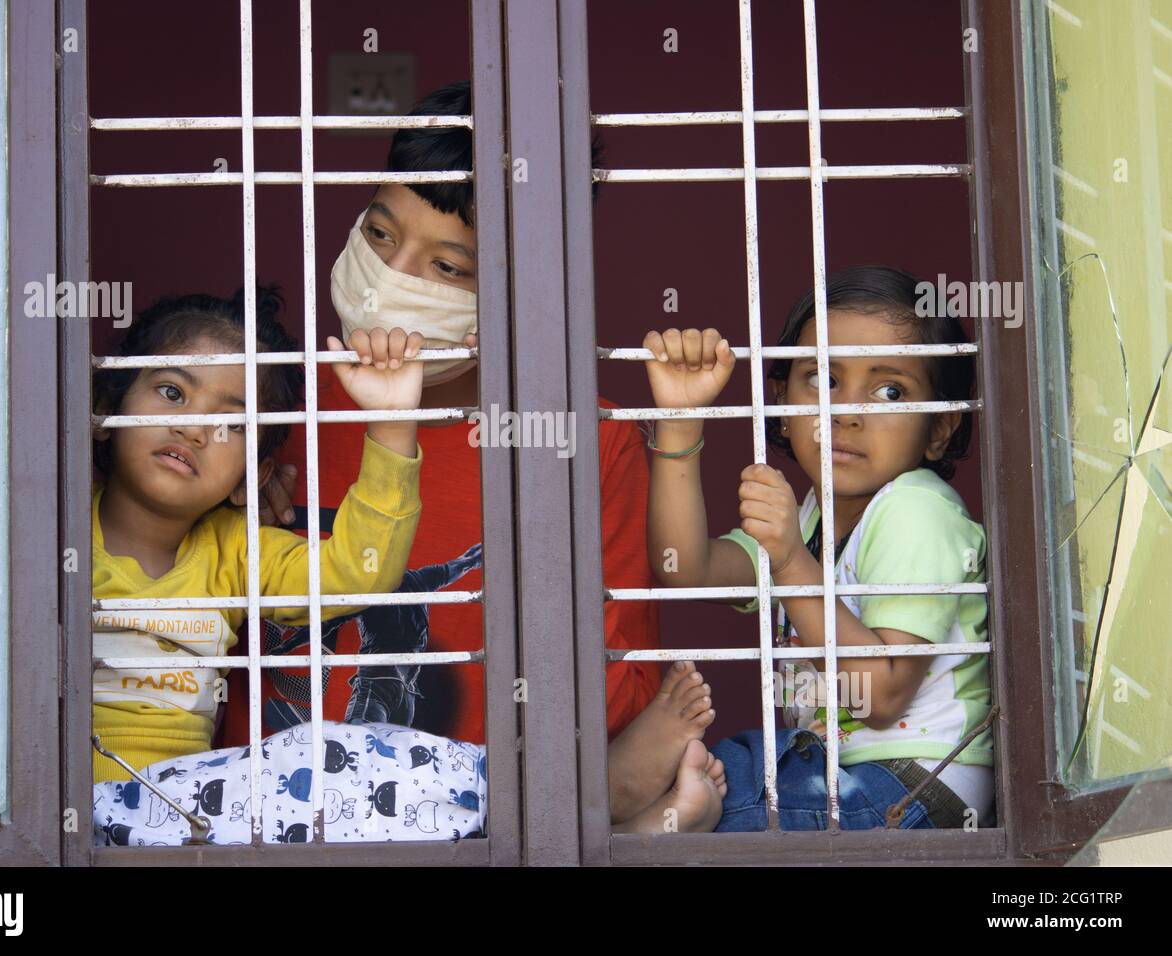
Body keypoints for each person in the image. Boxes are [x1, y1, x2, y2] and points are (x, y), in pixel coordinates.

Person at [220, 79, 663, 752]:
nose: (391, 277)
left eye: (448, 267)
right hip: (268, 824)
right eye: (379, 232)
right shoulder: (272, 403)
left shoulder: (586, 439)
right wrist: (219, 509)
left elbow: (622, 698)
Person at [615, 266, 993, 833]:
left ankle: (631, 824)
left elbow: (880, 695)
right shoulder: (814, 516)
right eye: (822, 379)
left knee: (729, 779)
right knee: (714, 769)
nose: (845, 412)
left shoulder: (918, 510)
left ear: (938, 428)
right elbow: (685, 568)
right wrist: (679, 419)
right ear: (782, 401)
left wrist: (792, 560)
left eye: (890, 390)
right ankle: (634, 817)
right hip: (840, 774)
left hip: (915, 783)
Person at [90, 285, 426, 784]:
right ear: (103, 410)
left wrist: (392, 423)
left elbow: (358, 572)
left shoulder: (239, 552)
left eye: (232, 422)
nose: (195, 429)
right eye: (172, 393)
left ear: (254, 476)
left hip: (177, 815)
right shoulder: (47, 529)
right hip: (45, 803)